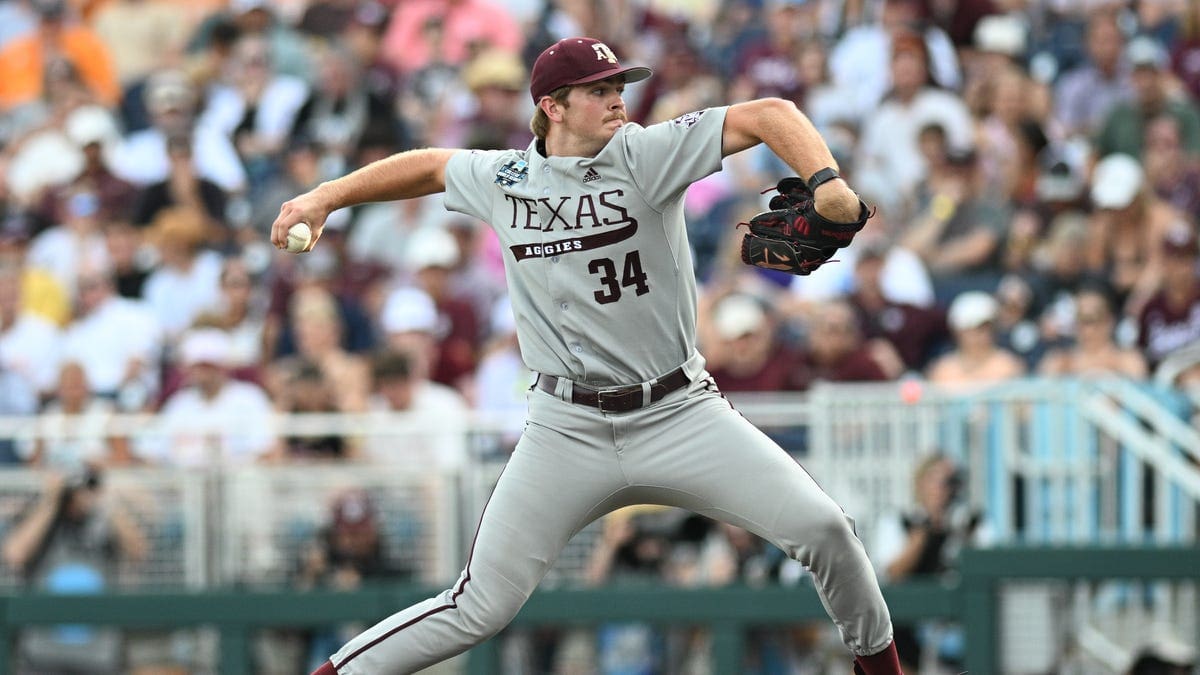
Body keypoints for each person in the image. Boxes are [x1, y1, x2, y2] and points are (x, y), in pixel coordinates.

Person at [273, 37, 904, 675]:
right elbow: (432, 166)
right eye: (599, 91)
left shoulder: (646, 154)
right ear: (552, 106)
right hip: (565, 427)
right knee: (478, 605)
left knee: (826, 531)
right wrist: (326, 196)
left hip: (678, 411)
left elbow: (771, 113)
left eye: (618, 87)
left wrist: (827, 181)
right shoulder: (507, 178)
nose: (616, 101)